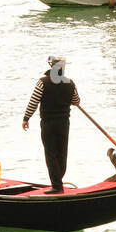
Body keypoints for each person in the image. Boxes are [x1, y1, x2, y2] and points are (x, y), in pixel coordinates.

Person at [22, 56, 80, 193]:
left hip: (48, 124)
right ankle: (58, 181)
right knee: (62, 153)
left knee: (51, 154)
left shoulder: (42, 82)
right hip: (64, 123)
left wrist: (26, 118)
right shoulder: (70, 83)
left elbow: (33, 102)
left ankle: (57, 186)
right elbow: (76, 101)